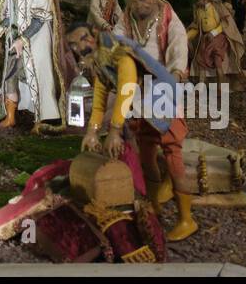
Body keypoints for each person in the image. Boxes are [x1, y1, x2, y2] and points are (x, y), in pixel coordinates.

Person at [80, 28, 198, 242]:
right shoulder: (103, 66)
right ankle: (154, 208)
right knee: (146, 159)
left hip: (163, 108)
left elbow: (126, 90)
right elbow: (100, 99)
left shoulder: (123, 58)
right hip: (144, 115)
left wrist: (115, 130)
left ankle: (186, 219)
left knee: (173, 159)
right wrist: (92, 130)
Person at [104, 0, 197, 240]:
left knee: (172, 152)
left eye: (144, 0)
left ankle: (186, 219)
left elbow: (179, 46)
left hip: (165, 90)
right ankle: (154, 206)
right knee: (145, 150)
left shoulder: (168, 17)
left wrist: (175, 75)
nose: (140, 5)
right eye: (134, 2)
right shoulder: (127, 18)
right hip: (141, 93)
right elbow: (115, 42)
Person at [0, 0, 70, 131]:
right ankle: (10, 117)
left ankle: (43, 119)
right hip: (15, 40)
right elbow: (10, 17)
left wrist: (22, 39)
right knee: (10, 76)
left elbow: (40, 18)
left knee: (38, 77)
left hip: (35, 40)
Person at [186, 0, 245, 90]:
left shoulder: (215, 8)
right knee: (201, 61)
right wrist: (185, 37)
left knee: (218, 62)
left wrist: (213, 33)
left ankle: (221, 87)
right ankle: (200, 86)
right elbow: (196, 27)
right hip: (205, 39)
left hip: (217, 39)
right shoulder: (198, 10)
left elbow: (224, 23)